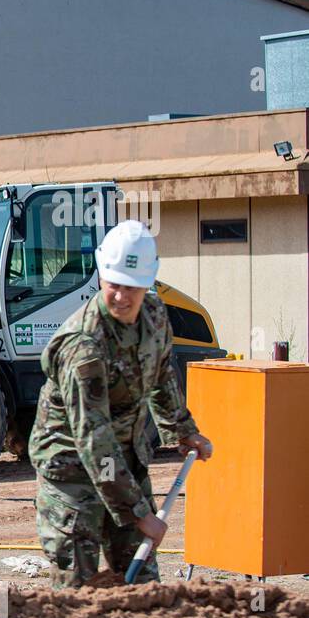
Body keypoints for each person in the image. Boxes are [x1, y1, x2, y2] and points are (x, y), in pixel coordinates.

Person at [29, 220, 213, 587]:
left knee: (142, 584)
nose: (121, 297)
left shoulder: (155, 317)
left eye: (131, 287)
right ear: (101, 277)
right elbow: (93, 439)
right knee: (75, 591)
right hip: (71, 470)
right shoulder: (82, 345)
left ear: (148, 284)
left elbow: (160, 374)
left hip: (123, 461)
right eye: (113, 285)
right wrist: (138, 511)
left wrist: (182, 429)